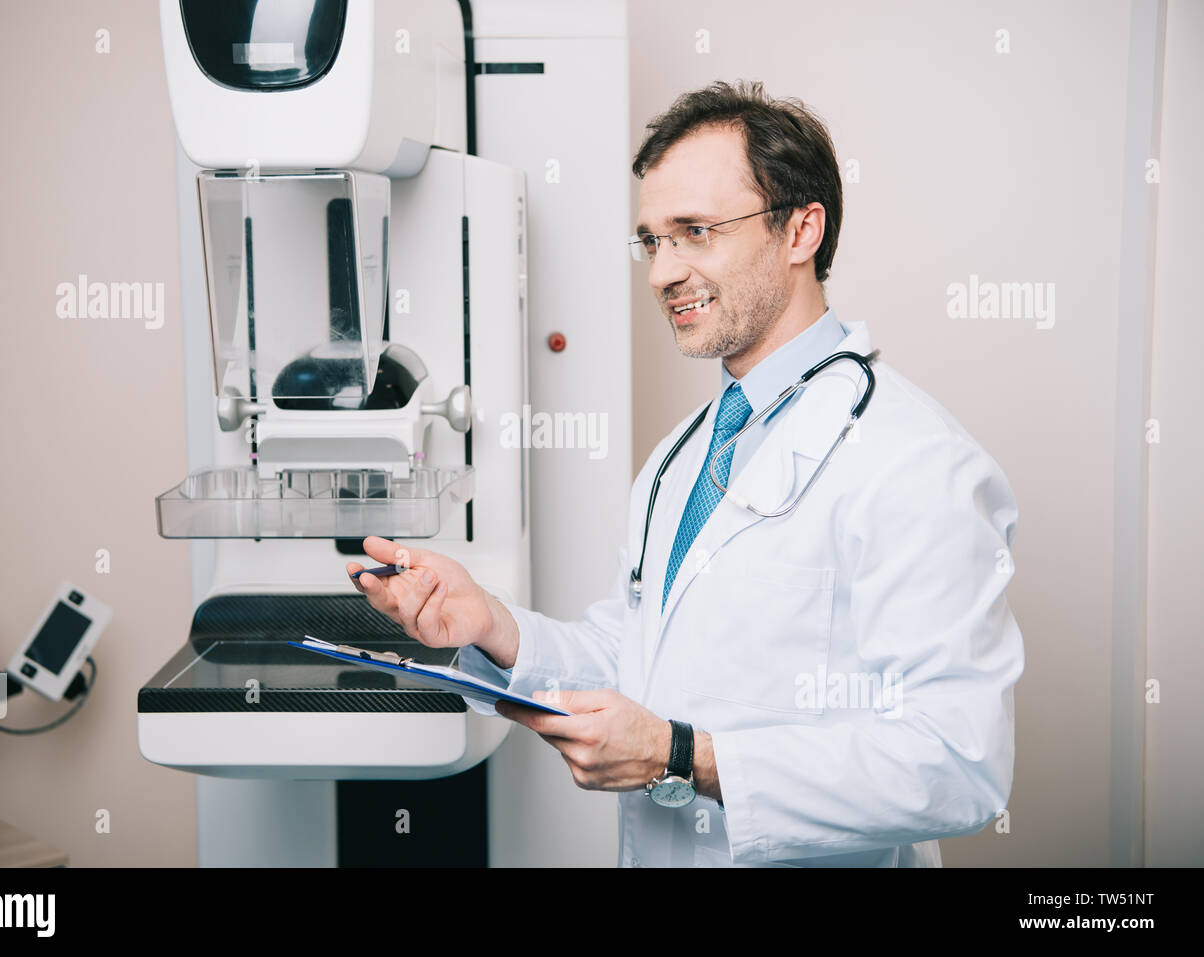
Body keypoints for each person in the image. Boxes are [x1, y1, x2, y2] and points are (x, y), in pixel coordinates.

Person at [348, 80, 1024, 867]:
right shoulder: (684, 453)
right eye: (652, 240)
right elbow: (642, 655)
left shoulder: (914, 460)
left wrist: (684, 757)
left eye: (695, 232)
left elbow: (959, 764)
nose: (662, 272)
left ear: (802, 229)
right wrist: (491, 625)